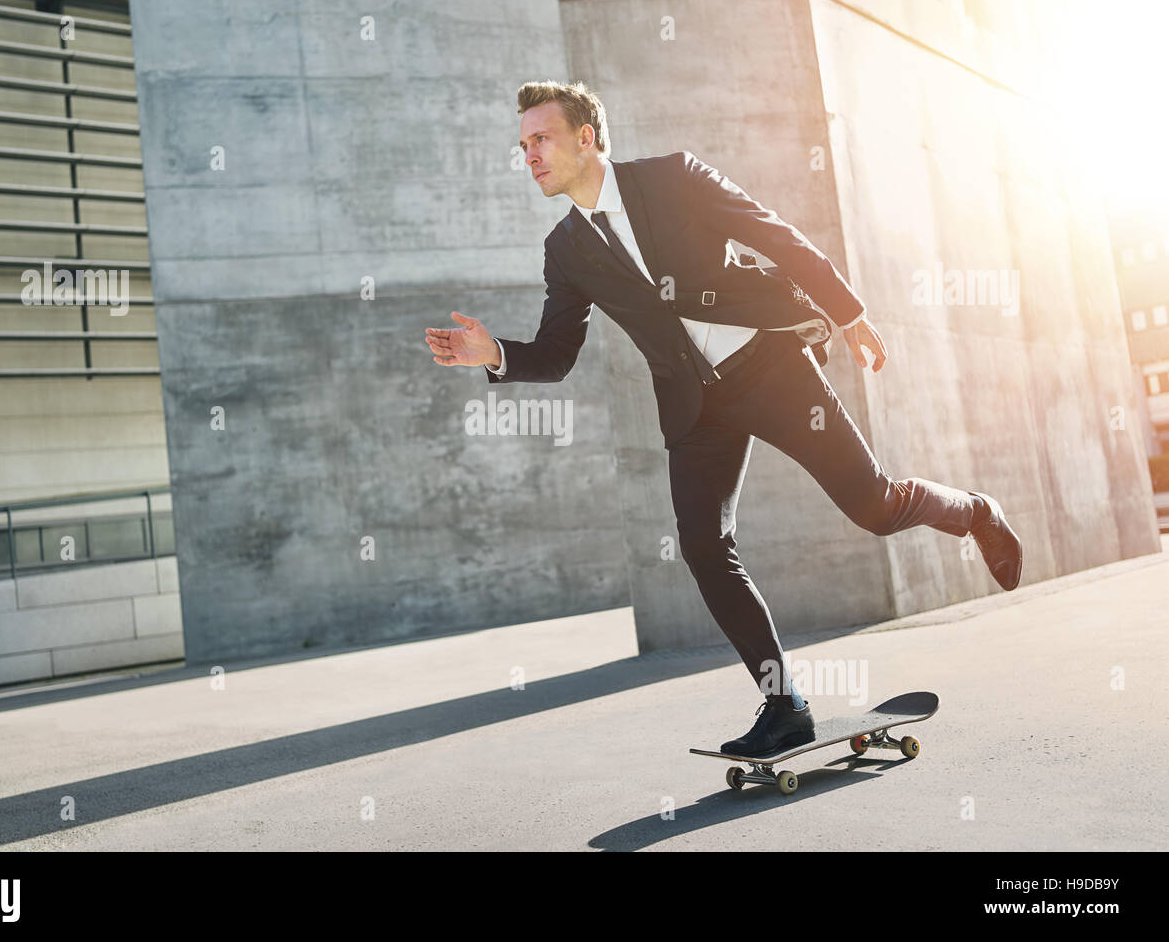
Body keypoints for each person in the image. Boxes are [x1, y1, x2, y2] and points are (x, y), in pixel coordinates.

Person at [424, 80, 1022, 757]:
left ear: (585, 138)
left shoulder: (672, 178)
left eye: (541, 139)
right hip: (696, 404)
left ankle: (971, 511)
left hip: (771, 369)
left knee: (874, 506)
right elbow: (559, 353)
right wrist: (496, 353)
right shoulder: (565, 250)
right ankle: (785, 704)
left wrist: (847, 311)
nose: (527, 153)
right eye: (523, 143)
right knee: (706, 547)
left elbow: (775, 235)